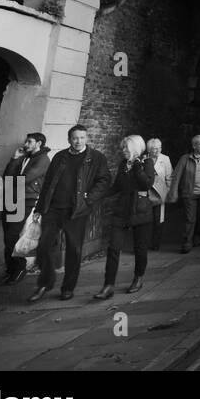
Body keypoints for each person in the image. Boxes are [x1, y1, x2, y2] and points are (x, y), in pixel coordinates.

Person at [29, 125, 112, 303]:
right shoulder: (60, 157)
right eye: (75, 138)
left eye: (82, 137)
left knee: (74, 249)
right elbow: (48, 183)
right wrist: (39, 208)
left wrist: (89, 199)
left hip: (76, 211)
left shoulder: (96, 158)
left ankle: (68, 288)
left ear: (86, 138)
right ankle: (45, 282)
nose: (78, 141)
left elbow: (104, 180)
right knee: (43, 245)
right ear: (69, 139)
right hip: (53, 209)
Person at [95, 135, 157, 299]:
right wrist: (97, 195)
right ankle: (108, 286)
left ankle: (138, 278)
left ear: (135, 149)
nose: (122, 151)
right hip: (122, 211)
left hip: (141, 211)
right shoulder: (123, 164)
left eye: (125, 148)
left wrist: (137, 167)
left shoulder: (146, 163)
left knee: (140, 248)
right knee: (113, 248)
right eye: (122, 148)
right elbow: (117, 187)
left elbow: (147, 184)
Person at [1, 133, 49, 285]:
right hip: (11, 198)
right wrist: (15, 158)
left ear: (39, 143)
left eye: (30, 142)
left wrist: (11, 181)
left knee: (11, 235)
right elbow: (6, 175)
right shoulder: (24, 156)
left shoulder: (43, 160)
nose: (26, 144)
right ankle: (11, 271)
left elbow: (25, 179)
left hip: (25, 200)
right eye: (26, 141)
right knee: (7, 235)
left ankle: (20, 268)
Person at [146, 138, 173, 249]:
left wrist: (168, 192)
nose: (157, 150)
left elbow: (169, 177)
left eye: (159, 148)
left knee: (158, 220)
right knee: (147, 220)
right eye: (154, 149)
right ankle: (145, 243)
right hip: (147, 194)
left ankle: (155, 244)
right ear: (149, 149)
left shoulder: (165, 159)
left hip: (160, 193)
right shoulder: (144, 159)